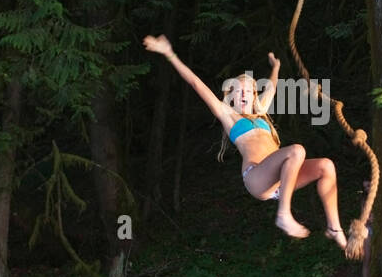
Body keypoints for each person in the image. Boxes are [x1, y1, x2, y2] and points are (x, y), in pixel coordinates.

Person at [143, 34, 347, 248]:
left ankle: (334, 228)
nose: (244, 94)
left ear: (253, 96)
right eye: (239, 91)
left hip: (279, 183)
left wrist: (276, 67)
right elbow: (195, 83)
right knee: (297, 150)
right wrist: (169, 54)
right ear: (231, 97)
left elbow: (272, 87)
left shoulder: (261, 113)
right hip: (256, 176)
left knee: (326, 166)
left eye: (248, 91)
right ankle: (284, 214)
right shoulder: (229, 116)